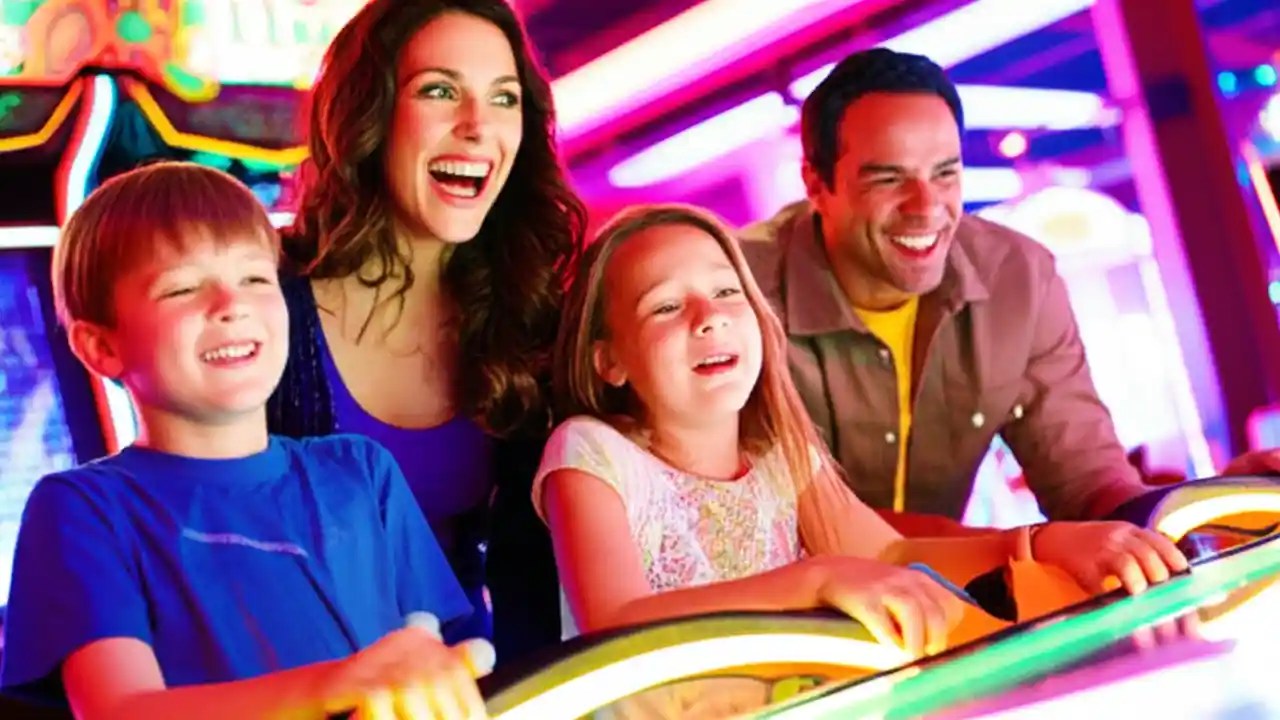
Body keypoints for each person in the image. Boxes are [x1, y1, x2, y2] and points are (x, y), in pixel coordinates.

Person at [534, 204, 1188, 659]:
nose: (709, 317)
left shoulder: (780, 454)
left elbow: (890, 555)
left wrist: (1041, 542)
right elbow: (613, 620)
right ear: (608, 361)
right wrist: (814, 580)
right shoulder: (589, 452)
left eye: (727, 293)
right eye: (667, 306)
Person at [0, 162, 492, 720]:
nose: (231, 305)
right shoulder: (85, 509)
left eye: (256, 279)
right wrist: (341, 683)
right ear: (101, 347)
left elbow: (417, 655)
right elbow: (120, 710)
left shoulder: (362, 470)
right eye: (183, 288)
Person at [740, 47, 1279, 528]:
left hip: (945, 592)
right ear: (816, 184)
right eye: (888, 178)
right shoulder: (734, 292)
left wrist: (1216, 503)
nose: (926, 207)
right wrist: (1004, 552)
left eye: (945, 174)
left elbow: (1089, 487)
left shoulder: (1017, 278)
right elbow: (782, 522)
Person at [267, 0, 585, 660]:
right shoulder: (264, 305)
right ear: (368, 114)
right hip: (297, 685)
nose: (478, 126)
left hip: (482, 682)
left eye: (503, 99)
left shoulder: (533, 320)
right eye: (439, 91)